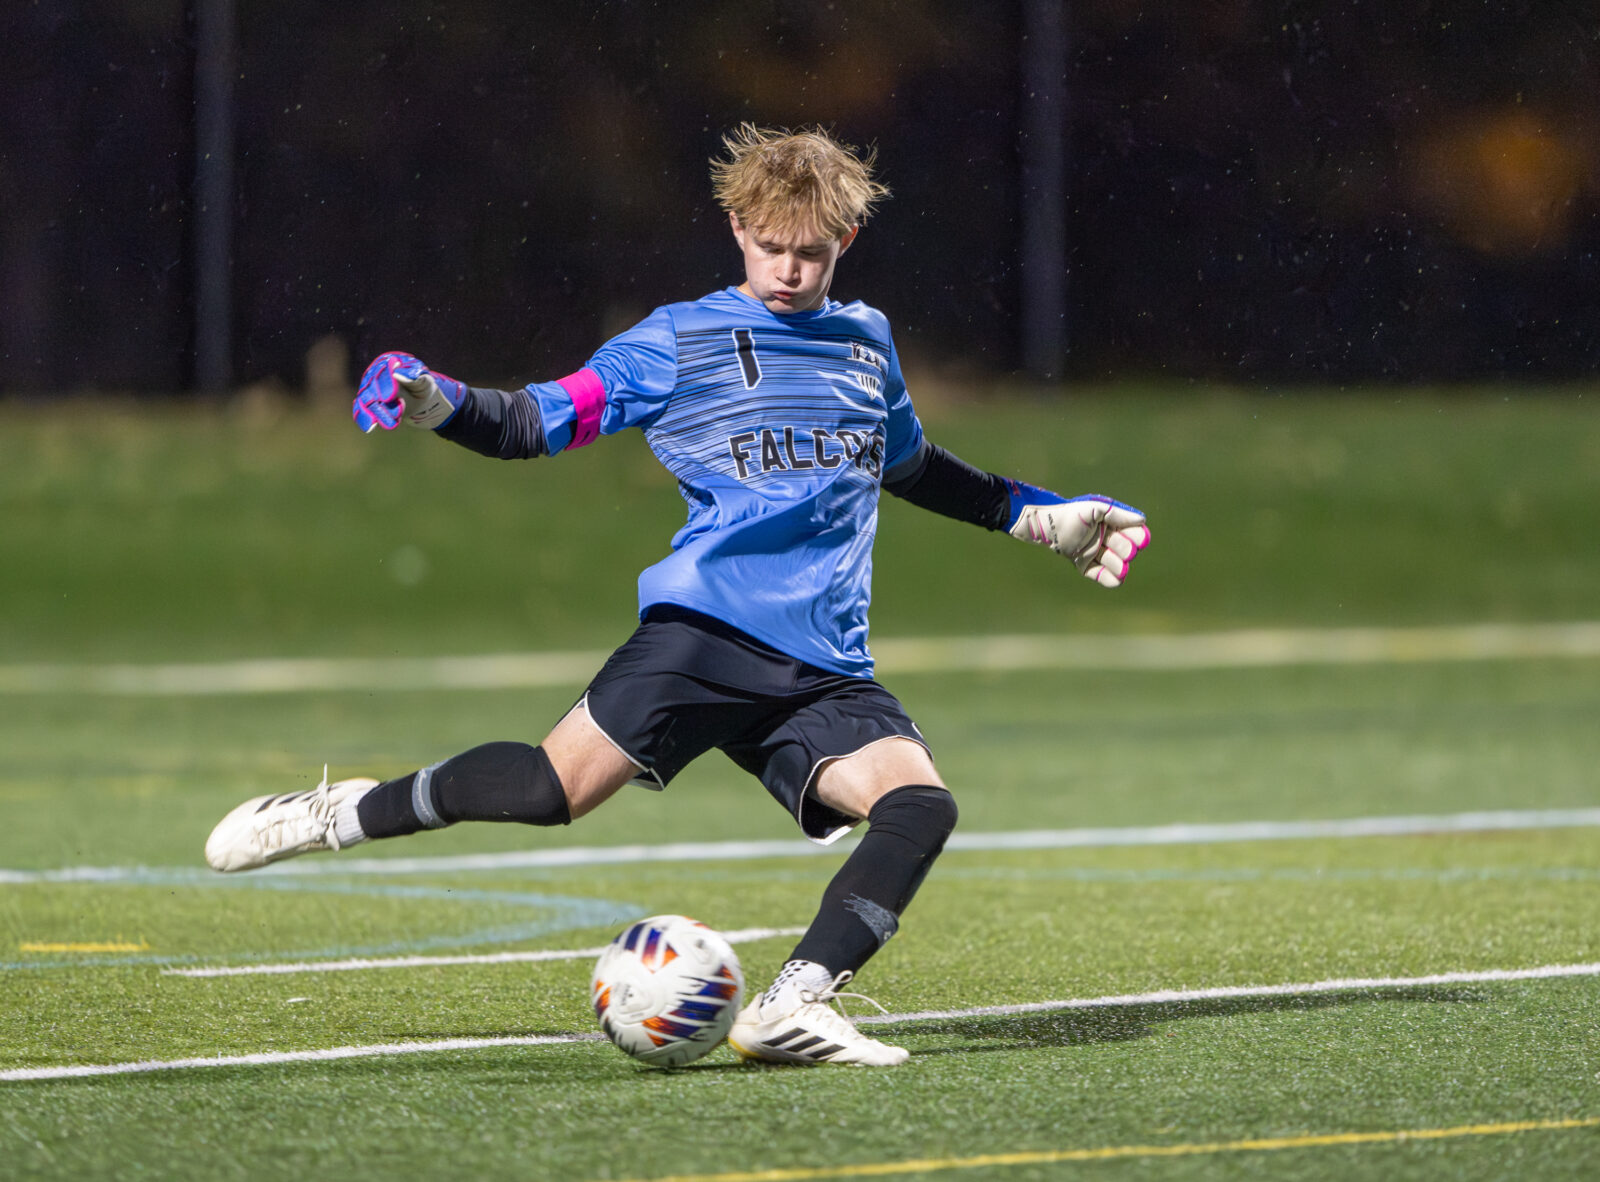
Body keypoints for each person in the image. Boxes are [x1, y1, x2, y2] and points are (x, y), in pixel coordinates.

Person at [204, 125, 1150, 1066]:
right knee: (547, 791)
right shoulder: (679, 340)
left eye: (810, 252)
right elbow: (540, 419)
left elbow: (913, 468)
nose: (788, 270)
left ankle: (793, 1004)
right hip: (708, 630)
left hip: (825, 667)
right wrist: (442, 401)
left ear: (845, 243)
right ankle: (339, 814)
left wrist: (1040, 518)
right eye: (771, 246)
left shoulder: (866, 345)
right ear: (737, 227)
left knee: (920, 807)